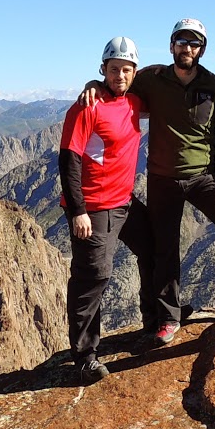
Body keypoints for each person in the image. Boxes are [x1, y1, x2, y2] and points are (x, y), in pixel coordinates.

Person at [95, 17, 215, 346]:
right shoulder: (152, 78)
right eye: (181, 42)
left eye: (194, 43)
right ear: (171, 46)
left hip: (203, 178)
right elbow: (116, 84)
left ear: (201, 49)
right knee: (164, 248)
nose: (187, 48)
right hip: (162, 179)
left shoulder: (214, 86)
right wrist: (92, 86)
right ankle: (167, 317)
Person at [59, 36, 156, 383]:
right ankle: (84, 355)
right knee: (93, 276)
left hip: (124, 202)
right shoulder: (87, 107)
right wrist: (77, 212)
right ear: (103, 70)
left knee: (153, 247)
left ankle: (156, 319)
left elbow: (164, 85)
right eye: (113, 69)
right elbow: (68, 161)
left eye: (126, 69)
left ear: (134, 72)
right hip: (94, 208)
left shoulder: (133, 102)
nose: (120, 75)